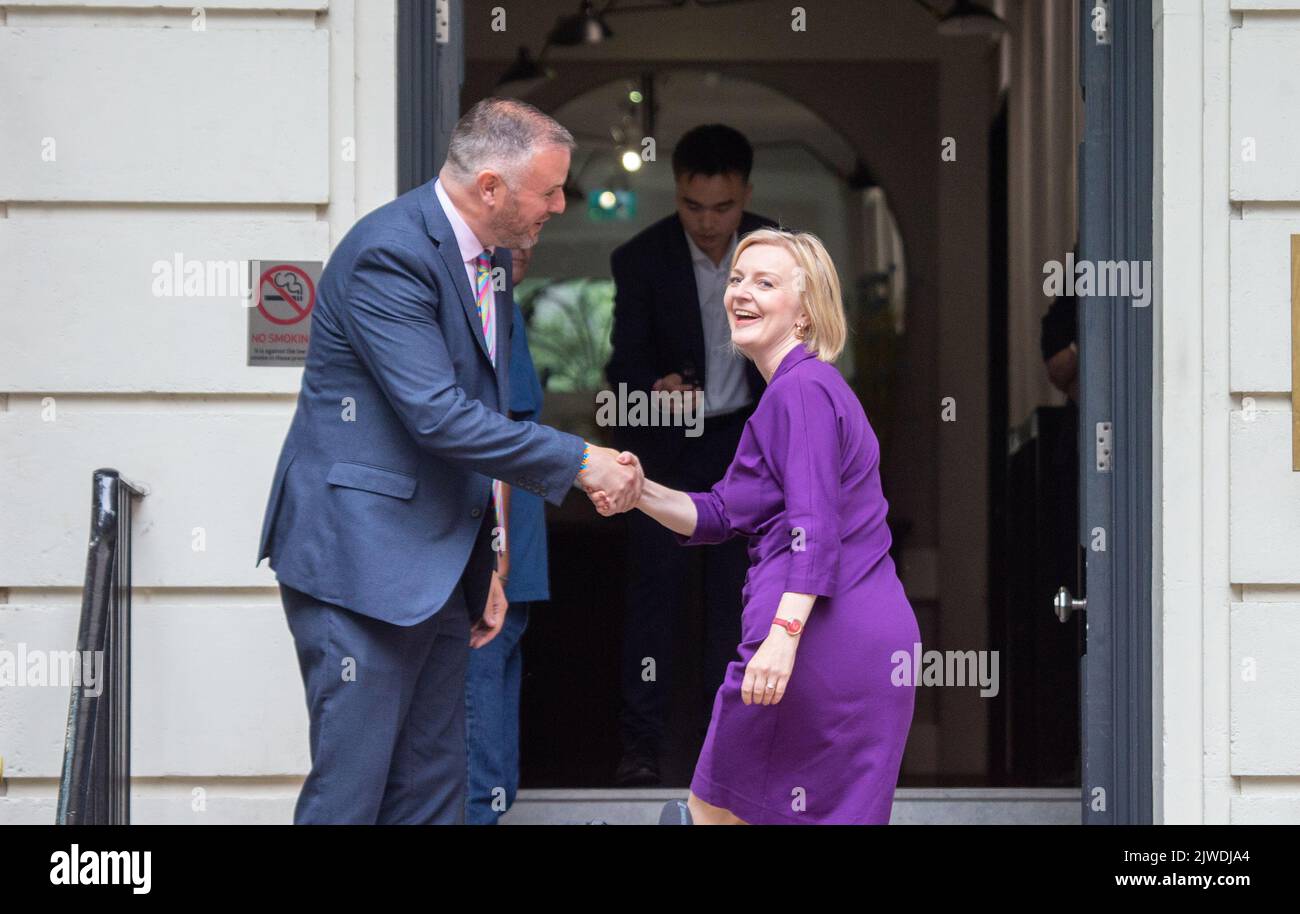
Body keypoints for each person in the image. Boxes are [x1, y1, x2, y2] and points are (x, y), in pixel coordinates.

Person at [256, 97, 643, 825]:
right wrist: (579, 459)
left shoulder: (483, 261)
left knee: (433, 797)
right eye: (550, 190)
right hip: (360, 566)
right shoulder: (390, 252)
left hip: (437, 575)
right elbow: (438, 416)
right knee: (352, 795)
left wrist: (484, 562)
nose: (561, 205)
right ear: (491, 186)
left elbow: (474, 423)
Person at [592, 229, 919, 824]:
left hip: (815, 642)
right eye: (738, 279)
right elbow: (721, 512)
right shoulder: (796, 394)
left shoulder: (803, 390)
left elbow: (814, 525)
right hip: (840, 642)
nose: (740, 292)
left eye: (765, 283)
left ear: (807, 309)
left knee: (713, 814)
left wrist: (784, 635)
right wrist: (641, 491)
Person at [605, 124, 777, 786]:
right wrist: (651, 388)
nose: (707, 223)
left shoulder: (780, 251)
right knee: (654, 604)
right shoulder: (640, 259)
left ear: (746, 196)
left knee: (742, 606)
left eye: (723, 207)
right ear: (675, 192)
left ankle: (729, 751)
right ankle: (641, 749)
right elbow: (620, 365)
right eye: (692, 205)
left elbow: (808, 350)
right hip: (667, 453)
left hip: (749, 448)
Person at [464, 244, 548, 824]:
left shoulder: (500, 306)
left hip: (504, 573)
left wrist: (498, 564)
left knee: (487, 777)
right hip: (495, 570)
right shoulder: (482, 304)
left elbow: (505, 444)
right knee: (482, 772)